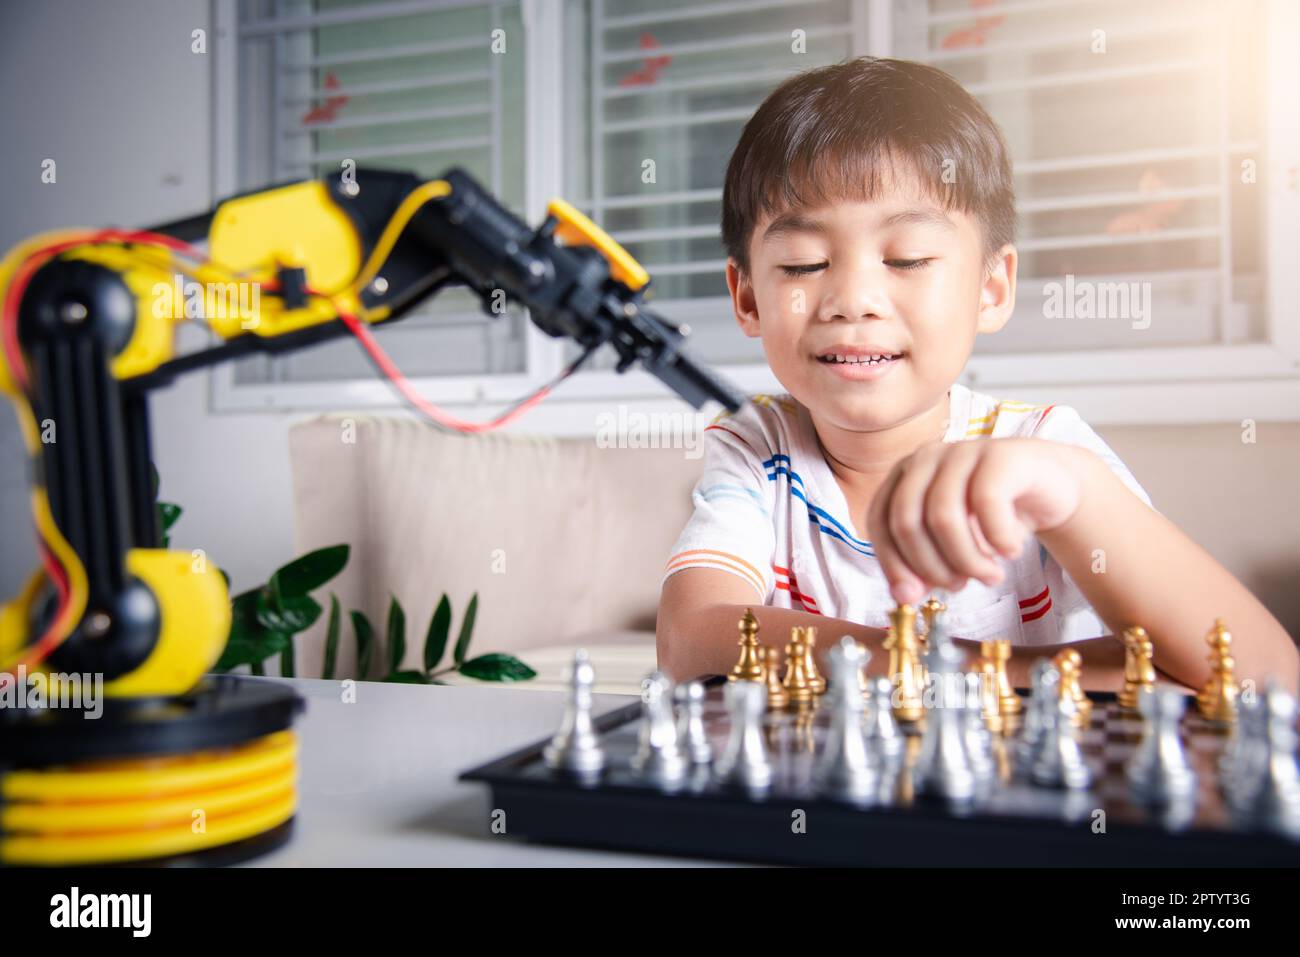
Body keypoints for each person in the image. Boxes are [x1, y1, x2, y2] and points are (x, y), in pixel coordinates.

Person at [657, 57, 1297, 694]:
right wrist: (981, 670)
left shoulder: (1046, 453)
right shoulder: (755, 446)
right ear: (746, 299)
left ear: (991, 288)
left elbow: (1268, 676)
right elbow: (691, 638)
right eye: (803, 264)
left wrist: (1076, 495)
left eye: (906, 258)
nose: (852, 299)